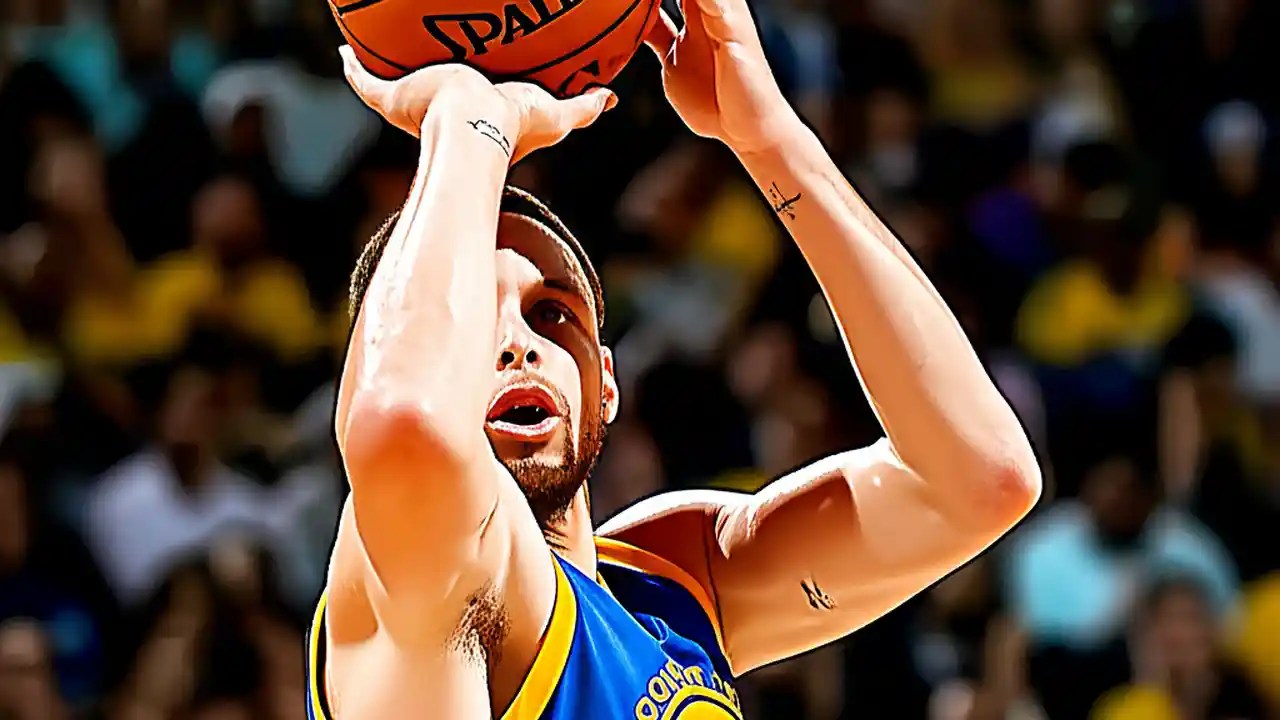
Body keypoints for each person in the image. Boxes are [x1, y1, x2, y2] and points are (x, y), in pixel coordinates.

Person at [307, 0, 1043, 715]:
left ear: (607, 383)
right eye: (476, 318)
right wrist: (470, 117)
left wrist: (767, 135)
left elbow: (979, 480)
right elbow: (405, 426)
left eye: (550, 313)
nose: (515, 342)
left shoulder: (675, 584)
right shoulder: (402, 583)